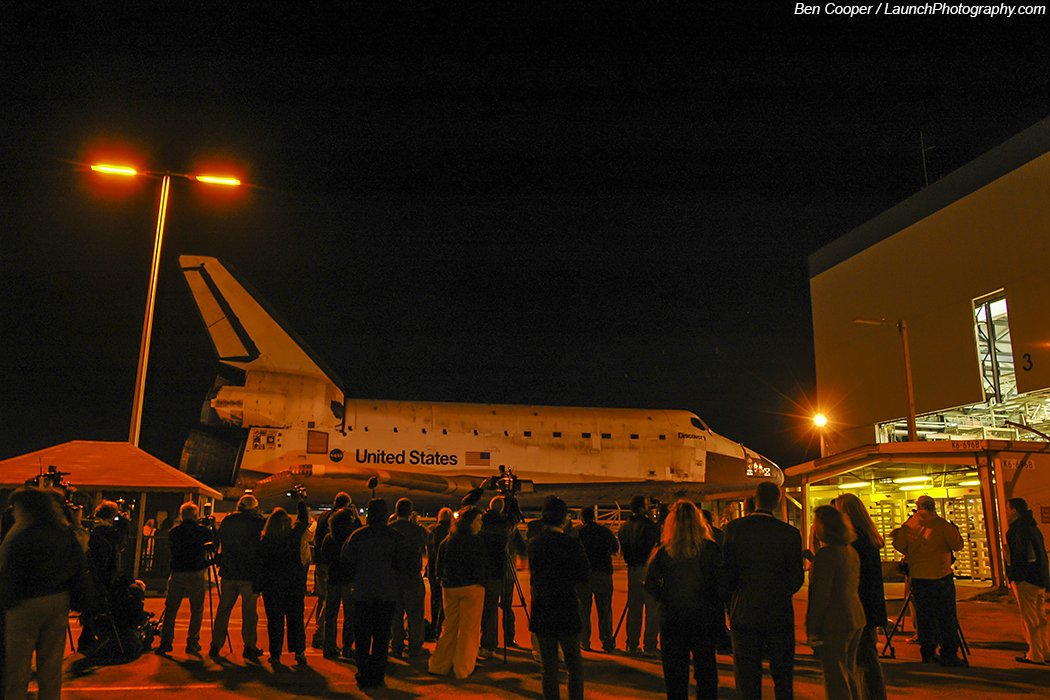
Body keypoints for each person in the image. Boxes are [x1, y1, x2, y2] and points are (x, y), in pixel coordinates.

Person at [720, 481, 804, 700]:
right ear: (777, 501)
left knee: (747, 675)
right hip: (778, 612)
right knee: (783, 674)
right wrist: (779, 591)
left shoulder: (734, 530)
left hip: (745, 610)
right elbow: (796, 578)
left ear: (754, 500)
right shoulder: (789, 534)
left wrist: (731, 603)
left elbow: (727, 573)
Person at [0, 487, 85, 700]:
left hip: (25, 602)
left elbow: (10, 571)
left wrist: (7, 601)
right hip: (58, 599)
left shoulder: (20, 534)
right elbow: (77, 564)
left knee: (18, 666)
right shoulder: (63, 531)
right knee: (51, 665)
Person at [644, 500, 724, 700]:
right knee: (706, 672)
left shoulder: (663, 551)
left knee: (675, 675)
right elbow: (719, 585)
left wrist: (665, 597)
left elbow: (651, 583)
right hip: (703, 617)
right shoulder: (710, 549)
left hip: (673, 616)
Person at [891, 494, 964, 666]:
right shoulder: (943, 525)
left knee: (925, 618)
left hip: (919, 578)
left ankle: (928, 653)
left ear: (918, 507)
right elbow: (957, 545)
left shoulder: (909, 526)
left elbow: (899, 545)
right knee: (946, 616)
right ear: (933, 506)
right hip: (942, 576)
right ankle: (948, 654)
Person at [529, 495, 590, 700]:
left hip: (543, 607)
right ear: (564, 519)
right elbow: (583, 575)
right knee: (574, 665)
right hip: (566, 607)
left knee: (549, 667)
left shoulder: (535, 544)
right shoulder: (572, 544)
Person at [341, 498, 406, 689]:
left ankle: (362, 672)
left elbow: (346, 561)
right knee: (381, 636)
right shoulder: (395, 536)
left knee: (362, 636)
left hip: (363, 591)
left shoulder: (358, 536)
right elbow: (402, 564)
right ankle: (377, 674)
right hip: (386, 592)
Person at [806, 505, 865, 700]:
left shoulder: (827, 555)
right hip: (855, 616)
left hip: (835, 621)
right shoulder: (850, 551)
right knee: (849, 670)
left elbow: (821, 595)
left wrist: (813, 627)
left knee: (835, 676)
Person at [834, 493, 887, 698]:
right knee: (865, 660)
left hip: (855, 609)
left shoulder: (852, 543)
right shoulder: (869, 539)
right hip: (868, 608)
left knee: (860, 662)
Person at [428, 506, 487, 678]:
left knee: (449, 627)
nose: (480, 524)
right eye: (478, 521)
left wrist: (441, 579)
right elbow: (482, 565)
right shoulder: (476, 542)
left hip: (450, 587)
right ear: (470, 522)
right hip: (471, 587)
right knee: (469, 629)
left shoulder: (448, 540)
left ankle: (439, 664)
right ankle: (463, 668)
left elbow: (438, 563)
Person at [254, 497, 311, 666]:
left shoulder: (266, 542)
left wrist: (258, 586)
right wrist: (300, 502)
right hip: (293, 584)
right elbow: (303, 521)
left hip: (272, 586)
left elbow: (260, 566)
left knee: (274, 621)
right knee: (295, 619)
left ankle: (275, 654)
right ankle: (299, 652)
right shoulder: (292, 537)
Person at [209, 493, 266, 661]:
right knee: (249, 613)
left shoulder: (228, 520)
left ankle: (216, 644)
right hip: (249, 573)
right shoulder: (256, 522)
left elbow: (218, 540)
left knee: (223, 610)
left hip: (229, 571)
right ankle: (249, 646)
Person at [155, 501, 214, 655]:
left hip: (178, 571)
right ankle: (192, 641)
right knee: (197, 610)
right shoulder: (202, 531)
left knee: (171, 609)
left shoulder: (174, 532)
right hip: (196, 572)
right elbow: (213, 544)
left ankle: (166, 641)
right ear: (195, 515)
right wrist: (210, 527)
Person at [1005, 497, 1050, 664]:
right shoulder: (1033, 527)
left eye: (1008, 508)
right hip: (1039, 578)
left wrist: (1014, 574)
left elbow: (1021, 556)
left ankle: (1035, 655)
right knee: (1040, 618)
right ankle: (1044, 651)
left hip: (1026, 579)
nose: (1006, 512)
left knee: (1029, 619)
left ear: (1014, 510)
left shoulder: (1018, 530)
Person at [618, 494, 661, 656]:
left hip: (632, 569)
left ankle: (632, 644)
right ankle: (650, 645)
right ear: (643, 508)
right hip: (648, 568)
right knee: (652, 609)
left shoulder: (624, 527)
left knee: (634, 609)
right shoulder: (650, 526)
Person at [479, 495, 522, 656]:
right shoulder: (505, 525)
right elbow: (515, 520)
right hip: (503, 569)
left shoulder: (481, 522)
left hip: (486, 571)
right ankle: (509, 638)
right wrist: (513, 500)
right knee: (506, 606)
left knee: (489, 608)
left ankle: (488, 644)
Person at [575, 505, 619, 653]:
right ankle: (607, 641)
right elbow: (615, 549)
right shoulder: (605, 531)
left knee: (583, 609)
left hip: (583, 575)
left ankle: (584, 641)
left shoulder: (577, 532)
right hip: (603, 573)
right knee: (604, 609)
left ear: (581, 518)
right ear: (594, 517)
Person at [311, 491, 352, 649]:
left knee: (324, 601)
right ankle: (328, 637)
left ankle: (321, 636)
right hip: (341, 571)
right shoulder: (345, 522)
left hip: (324, 564)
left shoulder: (324, 516)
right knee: (345, 609)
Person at [389, 497, 428, 659]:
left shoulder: (390, 529)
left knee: (396, 615)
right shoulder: (416, 530)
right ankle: (415, 646)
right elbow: (430, 539)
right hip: (412, 577)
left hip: (394, 577)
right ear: (410, 512)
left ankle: (396, 646)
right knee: (415, 615)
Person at [320, 506, 361, 659]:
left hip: (333, 579)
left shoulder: (329, 538)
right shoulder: (351, 538)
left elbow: (324, 556)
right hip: (348, 579)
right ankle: (347, 646)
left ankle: (329, 646)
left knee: (331, 615)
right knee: (350, 616)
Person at [426, 507, 453, 640]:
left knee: (435, 599)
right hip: (446, 571)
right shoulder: (452, 532)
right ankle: (442, 628)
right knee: (445, 602)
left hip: (432, 570)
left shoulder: (432, 530)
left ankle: (433, 628)